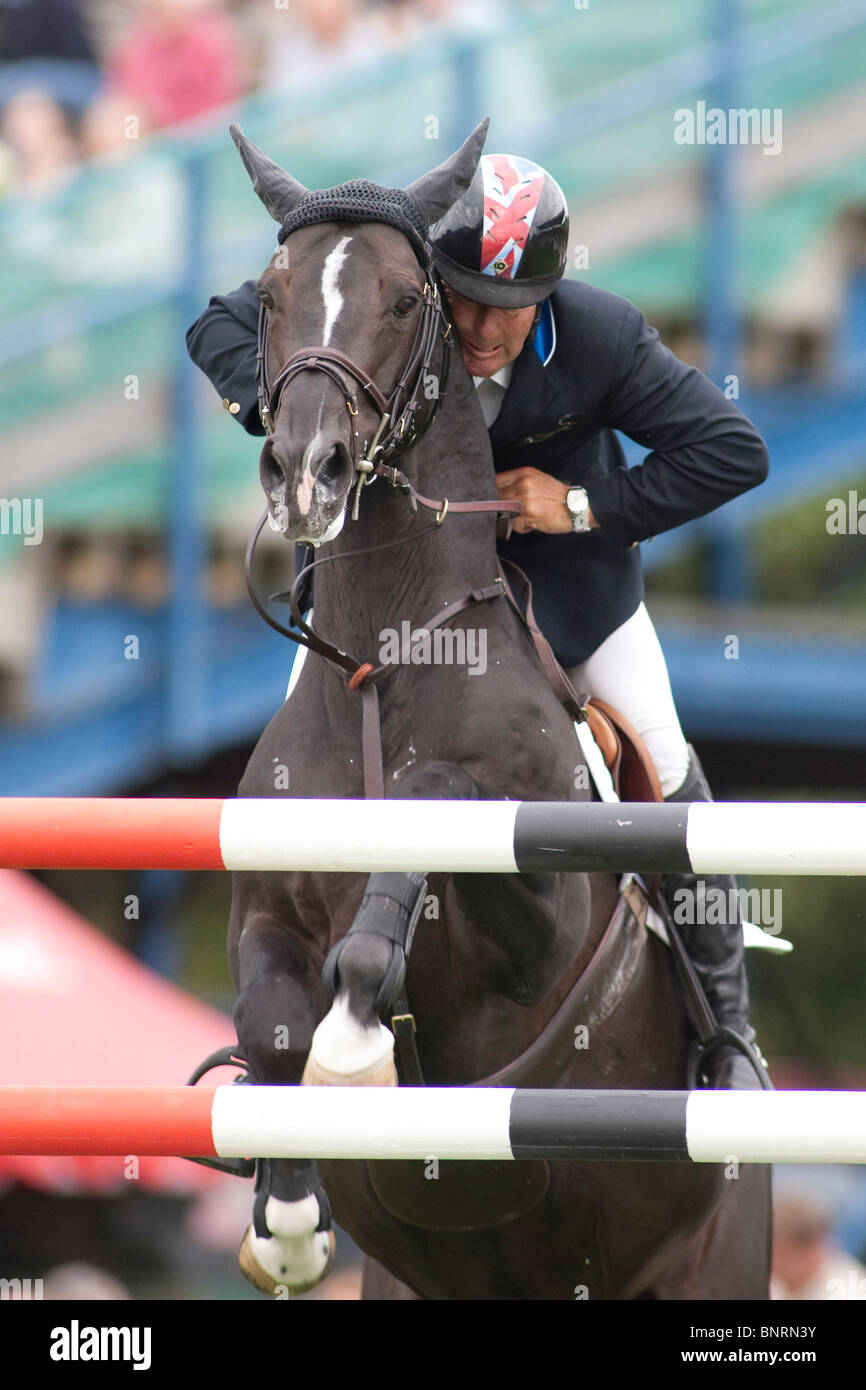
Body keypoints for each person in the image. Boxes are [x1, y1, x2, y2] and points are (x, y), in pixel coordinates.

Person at [185, 149, 770, 1089]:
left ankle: (728, 1036)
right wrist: (290, 408)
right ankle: (275, 1035)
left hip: (572, 597)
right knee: (291, 774)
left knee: (666, 762)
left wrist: (576, 505)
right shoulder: (396, 305)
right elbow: (222, 323)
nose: (486, 327)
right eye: (466, 298)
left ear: (551, 291)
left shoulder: (600, 339)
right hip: (379, 608)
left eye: (516, 302)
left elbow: (733, 450)